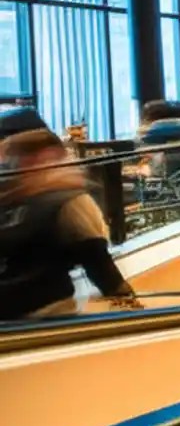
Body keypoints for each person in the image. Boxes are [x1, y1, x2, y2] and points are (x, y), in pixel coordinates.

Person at [0, 121, 139, 318]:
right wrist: (130, 305)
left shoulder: (9, 198)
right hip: (46, 312)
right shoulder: (70, 199)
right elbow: (97, 261)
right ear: (52, 156)